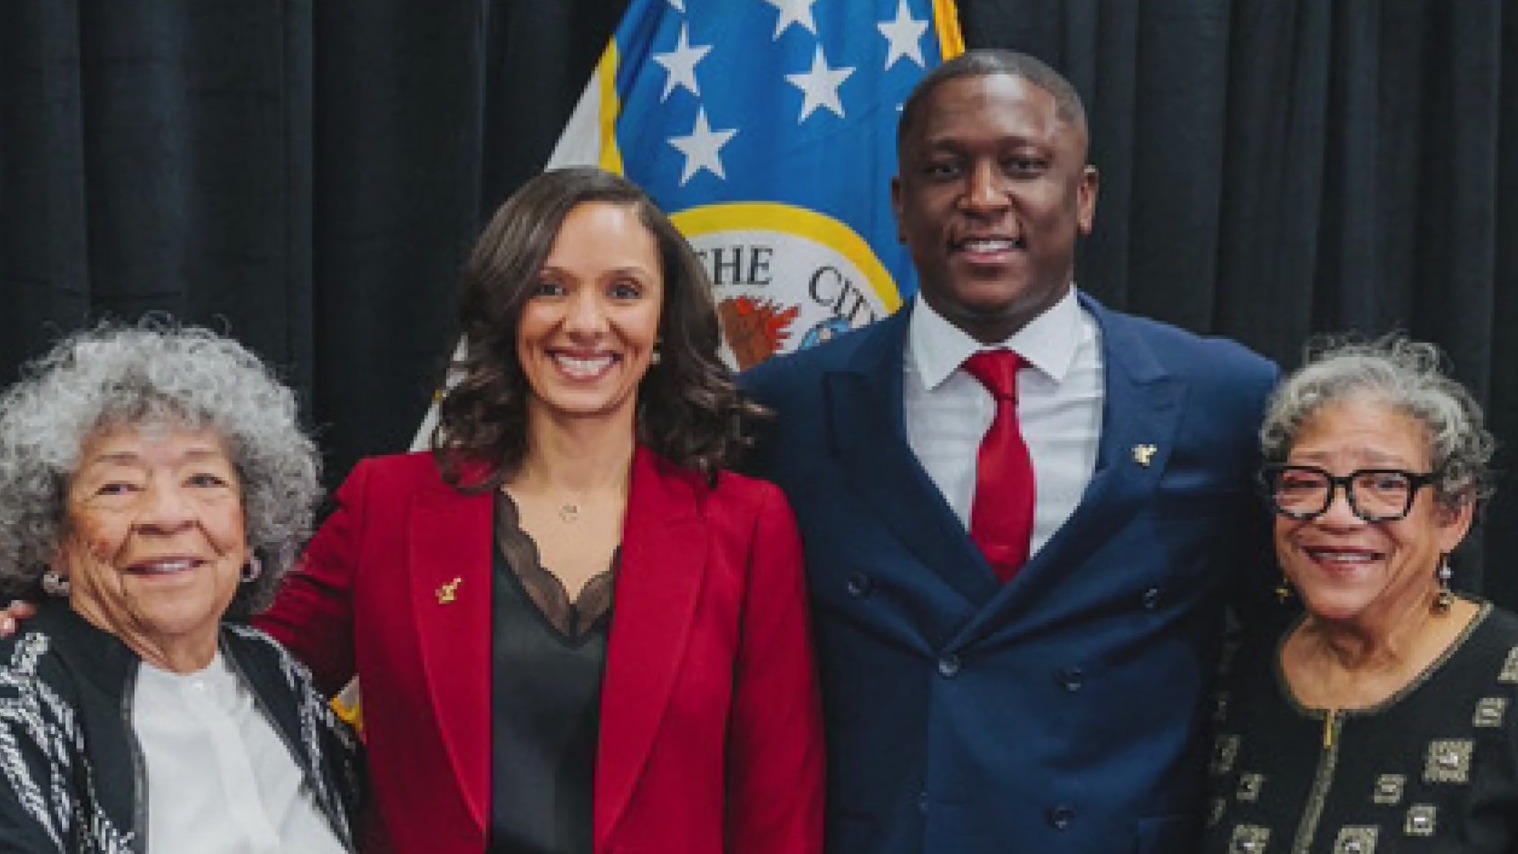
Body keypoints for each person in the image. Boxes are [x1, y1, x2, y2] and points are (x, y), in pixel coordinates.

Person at [739, 49, 1278, 851]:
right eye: (944, 168)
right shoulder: (786, 409)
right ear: (899, 204)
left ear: (1084, 196)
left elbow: (1296, 651)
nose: (983, 199)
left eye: (1022, 166)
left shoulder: (1222, 399)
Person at [254, 167, 824, 852]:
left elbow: (778, 811)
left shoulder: (749, 525)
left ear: (663, 321)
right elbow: (243, 690)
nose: (585, 323)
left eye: (623, 291)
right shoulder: (388, 506)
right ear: (506, 310)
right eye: (549, 288)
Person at [0, 322, 362, 852]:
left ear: (248, 529)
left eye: (203, 480)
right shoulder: (21, 704)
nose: (168, 516)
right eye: (118, 486)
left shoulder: (277, 675)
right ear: (55, 537)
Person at [1201, 336, 1518, 851]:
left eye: (1385, 484)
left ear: (1452, 516)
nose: (1337, 515)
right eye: (1304, 481)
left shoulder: (1505, 677)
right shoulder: (1229, 673)